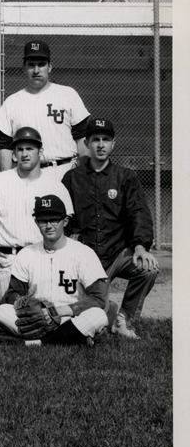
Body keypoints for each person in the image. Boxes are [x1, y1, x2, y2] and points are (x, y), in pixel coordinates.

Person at [61, 117, 159, 339]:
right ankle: (108, 309)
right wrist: (69, 239)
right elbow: (64, 216)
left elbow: (139, 213)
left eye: (106, 139)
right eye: (95, 139)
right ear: (86, 143)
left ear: (114, 143)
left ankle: (123, 320)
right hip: (86, 259)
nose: (101, 145)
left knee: (148, 269)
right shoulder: (72, 177)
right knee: (94, 325)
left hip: (116, 253)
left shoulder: (125, 176)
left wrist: (141, 247)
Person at [0, 127, 74, 300]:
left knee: (42, 313)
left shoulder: (55, 185)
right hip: (6, 261)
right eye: (20, 149)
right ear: (13, 154)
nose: (24, 154)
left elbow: (69, 224)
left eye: (30, 149)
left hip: (42, 258)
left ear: (40, 152)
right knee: (10, 315)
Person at [0, 195, 109, 346]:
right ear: (36, 222)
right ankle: (71, 338)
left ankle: (34, 342)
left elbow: (99, 298)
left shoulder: (83, 252)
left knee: (98, 315)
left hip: (69, 316)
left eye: (54, 220)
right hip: (37, 318)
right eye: (43, 220)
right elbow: (11, 294)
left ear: (65, 221)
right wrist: (23, 304)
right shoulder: (27, 253)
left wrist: (59, 311)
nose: (49, 225)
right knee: (2, 311)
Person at [0, 40, 90, 179]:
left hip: (66, 170)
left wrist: (85, 175)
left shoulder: (68, 94)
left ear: (50, 67)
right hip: (28, 175)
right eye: (31, 65)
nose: (36, 70)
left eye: (41, 64)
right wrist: (6, 180)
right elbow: (5, 146)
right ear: (24, 68)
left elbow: (82, 138)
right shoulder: (12, 102)